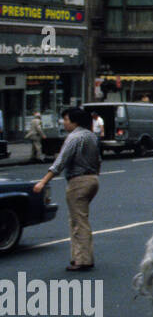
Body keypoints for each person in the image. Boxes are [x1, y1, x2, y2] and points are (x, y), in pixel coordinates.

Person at [32, 106, 101, 271]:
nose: (64, 123)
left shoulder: (74, 137)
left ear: (75, 122)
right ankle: (78, 256)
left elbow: (60, 162)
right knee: (79, 219)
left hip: (78, 181)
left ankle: (83, 260)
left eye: (66, 119)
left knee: (78, 222)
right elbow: (99, 160)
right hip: (93, 179)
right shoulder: (91, 136)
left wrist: (43, 182)